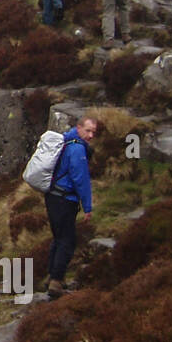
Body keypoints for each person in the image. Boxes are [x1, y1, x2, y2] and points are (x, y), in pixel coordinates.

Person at [44, 116, 96, 298]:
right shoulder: (77, 149)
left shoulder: (66, 141)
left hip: (52, 196)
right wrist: (87, 206)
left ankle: (52, 275)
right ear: (79, 128)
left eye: (93, 132)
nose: (90, 135)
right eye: (88, 131)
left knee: (59, 237)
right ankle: (56, 282)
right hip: (64, 199)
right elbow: (81, 179)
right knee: (67, 240)